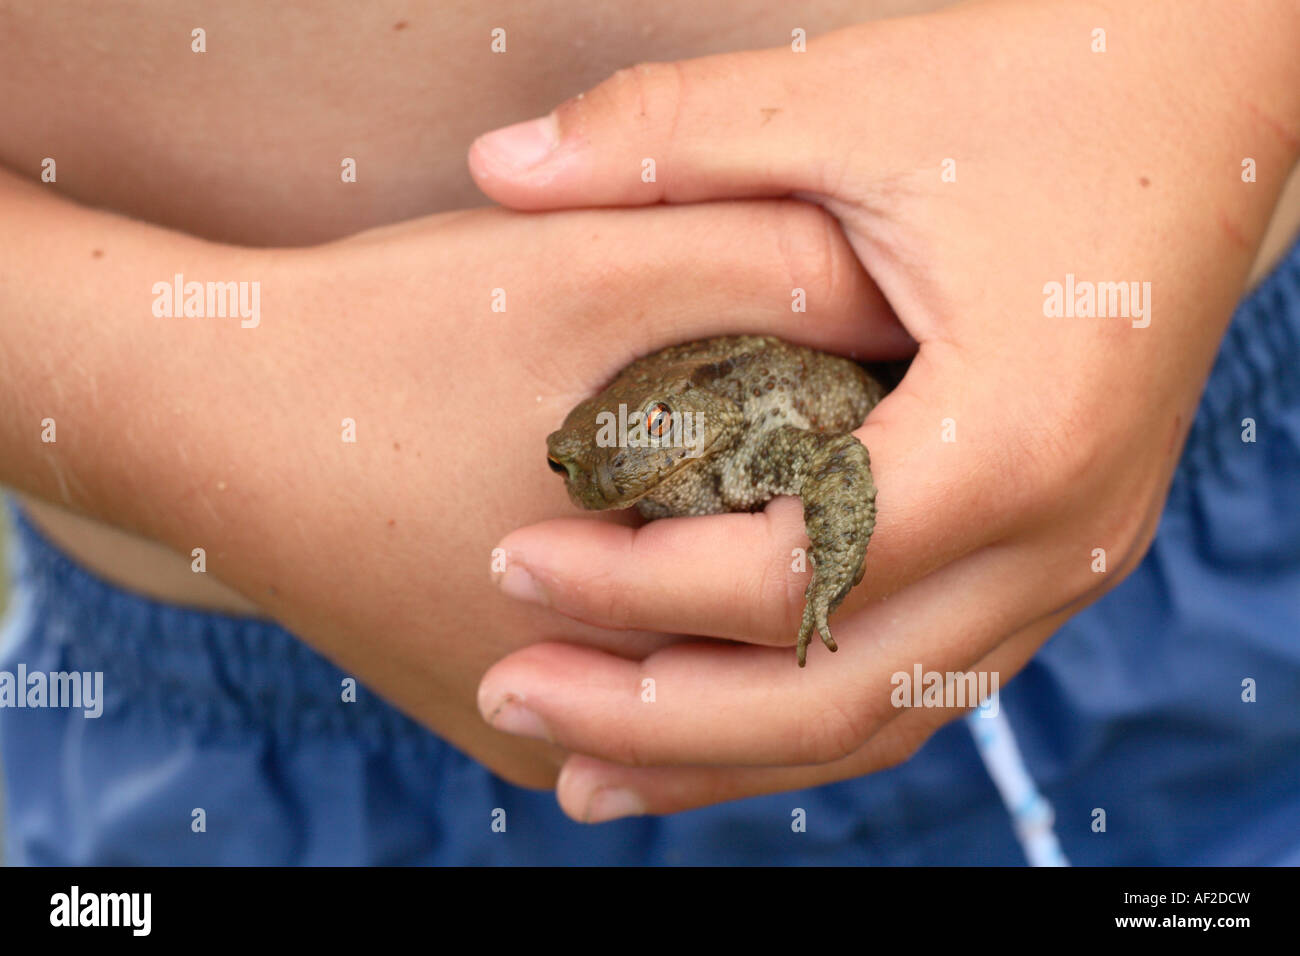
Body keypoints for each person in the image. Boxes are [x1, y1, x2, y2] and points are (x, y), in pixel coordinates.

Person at [1, 0, 1297, 864]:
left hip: (1189, 457)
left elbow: (838, 462)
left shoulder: (748, 455)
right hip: (282, 716)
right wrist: (189, 416)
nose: (609, 478)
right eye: (584, 468)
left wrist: (1233, 65)